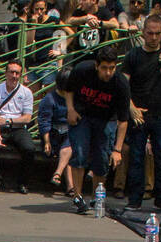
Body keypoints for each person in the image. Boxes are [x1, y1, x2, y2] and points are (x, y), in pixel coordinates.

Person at [118, 14, 161, 209]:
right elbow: (123, 85)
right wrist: (131, 108)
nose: (154, 37)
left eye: (158, 33)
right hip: (140, 114)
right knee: (137, 158)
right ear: (143, 33)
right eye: (150, 33)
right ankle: (135, 199)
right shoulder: (133, 55)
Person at [61, 44, 130, 215]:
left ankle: (96, 197)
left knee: (101, 157)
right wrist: (70, 109)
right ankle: (77, 197)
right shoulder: (82, 70)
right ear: (96, 65)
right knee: (80, 152)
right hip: (82, 115)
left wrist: (118, 150)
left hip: (106, 119)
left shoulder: (120, 83)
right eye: (104, 68)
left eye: (112, 68)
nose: (108, 73)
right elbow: (68, 90)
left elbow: (123, 121)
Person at [0, 60, 36, 193]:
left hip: (17, 126)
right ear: (6, 73)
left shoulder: (26, 92)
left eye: (17, 73)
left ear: (21, 75)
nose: (14, 76)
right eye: (11, 72)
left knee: (29, 149)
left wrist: (7, 121)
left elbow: (27, 118)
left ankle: (23, 182)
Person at [38, 80, 73, 194]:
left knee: (69, 147)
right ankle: (70, 187)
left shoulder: (74, 97)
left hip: (69, 134)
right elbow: (44, 122)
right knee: (68, 153)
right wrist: (47, 142)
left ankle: (58, 173)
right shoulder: (50, 99)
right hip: (53, 135)